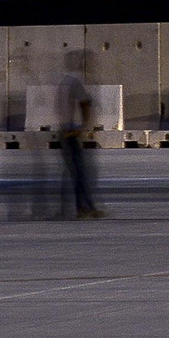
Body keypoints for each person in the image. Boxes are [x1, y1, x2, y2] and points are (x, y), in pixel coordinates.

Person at [56, 50, 105, 219]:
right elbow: (85, 104)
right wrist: (83, 127)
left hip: (64, 131)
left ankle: (81, 208)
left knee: (74, 173)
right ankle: (86, 208)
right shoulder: (76, 82)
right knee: (80, 173)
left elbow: (59, 108)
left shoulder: (63, 82)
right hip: (72, 132)